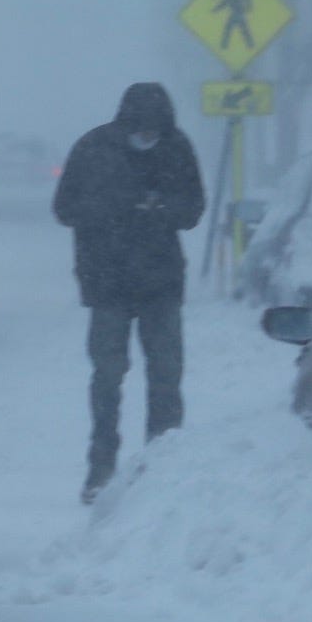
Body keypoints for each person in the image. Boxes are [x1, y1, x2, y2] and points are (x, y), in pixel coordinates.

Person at [52, 82, 205, 501]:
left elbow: (193, 209)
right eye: (141, 130)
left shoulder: (176, 149)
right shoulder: (93, 149)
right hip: (107, 282)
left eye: (155, 131)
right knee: (107, 376)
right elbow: (64, 208)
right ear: (125, 124)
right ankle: (100, 468)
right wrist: (113, 208)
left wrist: (161, 209)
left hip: (161, 283)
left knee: (166, 376)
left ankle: (163, 466)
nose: (147, 137)